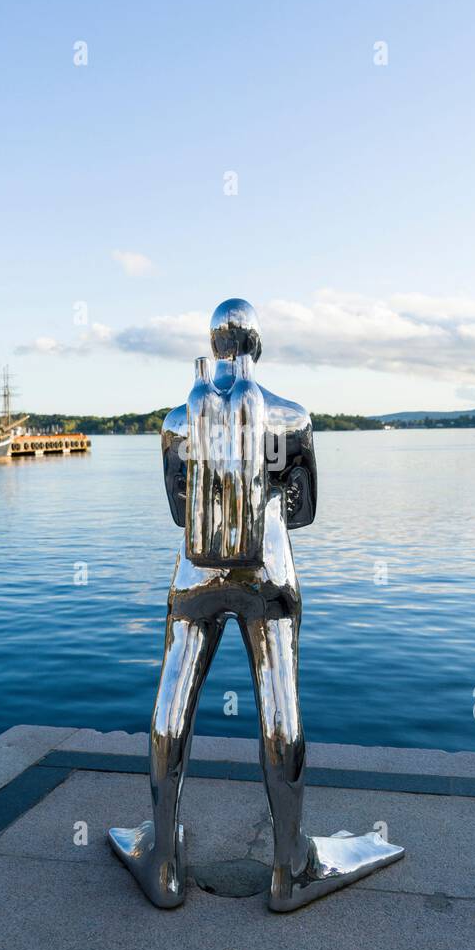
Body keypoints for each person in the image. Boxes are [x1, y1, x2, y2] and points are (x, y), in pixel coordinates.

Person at [108, 298, 404, 912]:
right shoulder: (292, 417)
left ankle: (162, 860)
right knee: (279, 703)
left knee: (172, 698)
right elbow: (308, 507)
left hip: (194, 574)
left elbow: (176, 507)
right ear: (258, 344)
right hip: (267, 571)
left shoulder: (175, 420)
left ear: (214, 345)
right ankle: (290, 866)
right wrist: (263, 512)